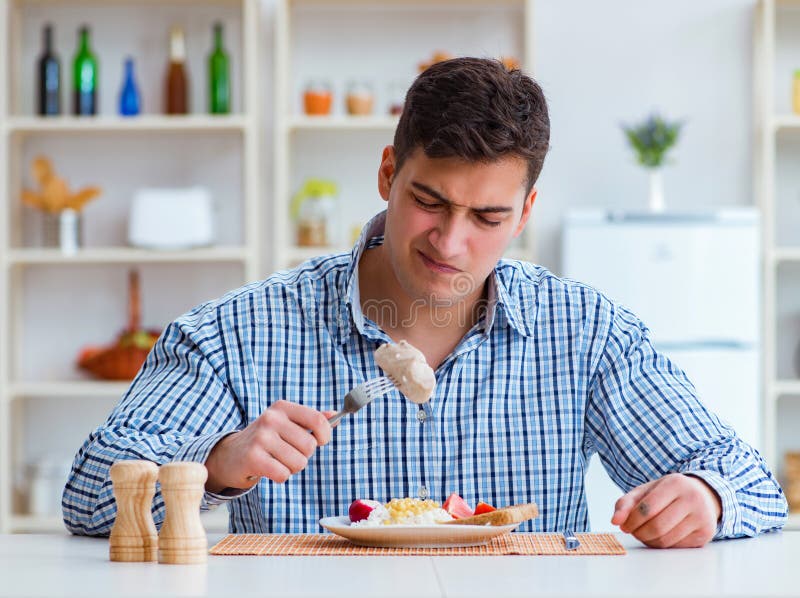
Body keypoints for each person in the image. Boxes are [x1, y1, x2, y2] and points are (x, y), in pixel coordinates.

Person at [64, 57, 787, 548]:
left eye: (488, 218)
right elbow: (90, 498)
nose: (451, 241)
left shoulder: (586, 333)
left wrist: (705, 496)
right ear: (388, 172)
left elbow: (753, 480)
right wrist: (218, 463)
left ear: (527, 211)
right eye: (430, 201)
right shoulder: (236, 333)